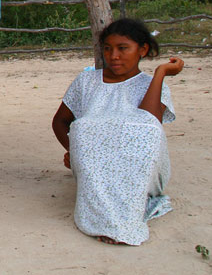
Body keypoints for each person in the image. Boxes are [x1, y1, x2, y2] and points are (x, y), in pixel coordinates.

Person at [52, 18, 184, 245]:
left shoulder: (153, 86)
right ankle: (105, 218)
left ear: (142, 50)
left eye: (123, 48)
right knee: (83, 126)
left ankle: (122, 219)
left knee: (145, 129)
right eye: (107, 48)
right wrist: (75, 151)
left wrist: (160, 73)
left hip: (140, 169)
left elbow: (149, 124)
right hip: (94, 169)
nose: (113, 56)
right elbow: (60, 121)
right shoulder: (86, 81)